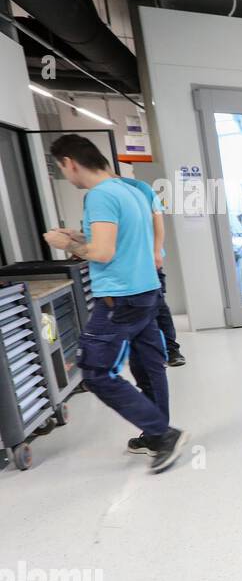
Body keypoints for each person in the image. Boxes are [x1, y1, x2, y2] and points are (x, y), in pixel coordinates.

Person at [42, 135, 189, 473]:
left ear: (70, 163)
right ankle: (156, 435)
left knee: (95, 372)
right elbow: (122, 242)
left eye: (63, 169)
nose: (67, 176)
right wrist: (82, 239)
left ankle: (163, 434)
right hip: (146, 291)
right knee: (149, 367)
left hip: (120, 299)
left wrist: (64, 243)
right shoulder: (131, 191)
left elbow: (104, 253)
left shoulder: (100, 197)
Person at [120, 177, 186, 366]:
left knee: (158, 306)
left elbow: (158, 217)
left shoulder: (140, 187)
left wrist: (156, 251)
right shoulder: (98, 194)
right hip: (124, 265)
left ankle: (172, 350)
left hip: (148, 261)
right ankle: (150, 353)